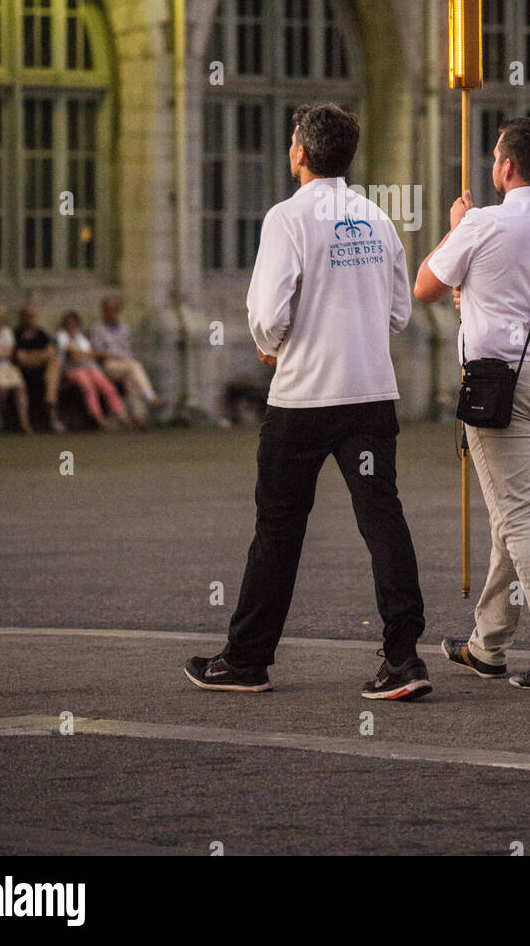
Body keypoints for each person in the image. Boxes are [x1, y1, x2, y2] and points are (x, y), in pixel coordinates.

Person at [184, 103, 429, 699]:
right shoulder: (378, 218)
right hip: (370, 394)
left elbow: (268, 312)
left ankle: (247, 658)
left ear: (299, 152)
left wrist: (272, 345)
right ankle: (403, 657)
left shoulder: (286, 218)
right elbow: (399, 312)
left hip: (303, 399)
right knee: (383, 521)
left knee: (278, 530)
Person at [415, 116, 530, 691]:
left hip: (503, 388)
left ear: (506, 167)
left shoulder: (482, 224)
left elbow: (424, 285)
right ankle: (487, 644)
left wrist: (455, 229)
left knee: (520, 515)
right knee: (515, 512)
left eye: (495, 157)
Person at [90, 297, 165, 427]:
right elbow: (95, 352)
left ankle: (139, 416)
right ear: (103, 311)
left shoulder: (124, 327)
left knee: (131, 377)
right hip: (108, 364)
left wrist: (124, 358)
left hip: (125, 364)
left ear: (118, 311)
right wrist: (111, 355)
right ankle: (150, 396)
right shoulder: (97, 328)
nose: (110, 313)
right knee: (134, 367)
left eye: (113, 310)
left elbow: (128, 349)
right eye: (107, 310)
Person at [56, 311, 128, 431]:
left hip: (90, 367)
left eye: (74, 323)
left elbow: (92, 353)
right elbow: (73, 353)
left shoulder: (81, 337)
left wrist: (88, 354)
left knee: (107, 386)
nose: (72, 326)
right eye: (69, 323)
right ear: (65, 324)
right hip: (73, 369)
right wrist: (88, 354)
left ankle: (122, 415)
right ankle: (98, 418)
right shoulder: (61, 336)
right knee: (88, 387)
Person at [14, 305, 64, 434]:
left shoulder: (41, 333)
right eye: (27, 316)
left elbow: (51, 353)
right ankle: (24, 424)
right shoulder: (16, 334)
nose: (30, 320)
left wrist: (32, 356)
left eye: (32, 316)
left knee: (55, 365)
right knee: (19, 382)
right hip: (22, 372)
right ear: (21, 318)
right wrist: (39, 356)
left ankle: (50, 401)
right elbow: (21, 359)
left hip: (41, 371)